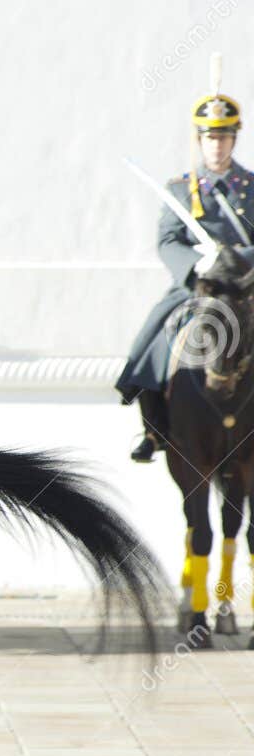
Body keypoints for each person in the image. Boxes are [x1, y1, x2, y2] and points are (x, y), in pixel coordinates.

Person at [117, 67, 254, 461]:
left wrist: (232, 259)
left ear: (234, 138)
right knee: (154, 337)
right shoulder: (180, 189)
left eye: (224, 136)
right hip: (198, 285)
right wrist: (200, 265)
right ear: (200, 140)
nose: (217, 145)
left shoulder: (251, 188)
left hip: (245, 286)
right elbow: (167, 240)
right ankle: (153, 428)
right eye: (210, 137)